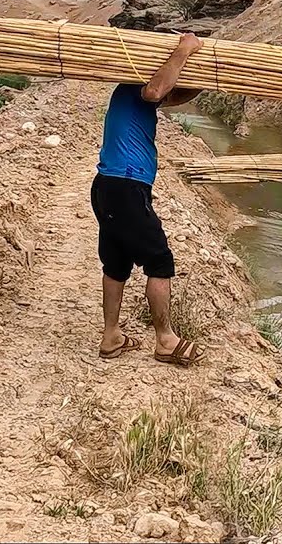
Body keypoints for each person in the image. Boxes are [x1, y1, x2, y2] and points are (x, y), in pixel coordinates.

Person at [91, 32, 205, 366]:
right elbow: (158, 89)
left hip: (109, 187)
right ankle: (166, 340)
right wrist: (185, 49)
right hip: (126, 188)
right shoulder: (134, 88)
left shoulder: (134, 95)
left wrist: (205, 80)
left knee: (116, 263)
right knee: (159, 262)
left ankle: (111, 337)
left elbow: (169, 95)